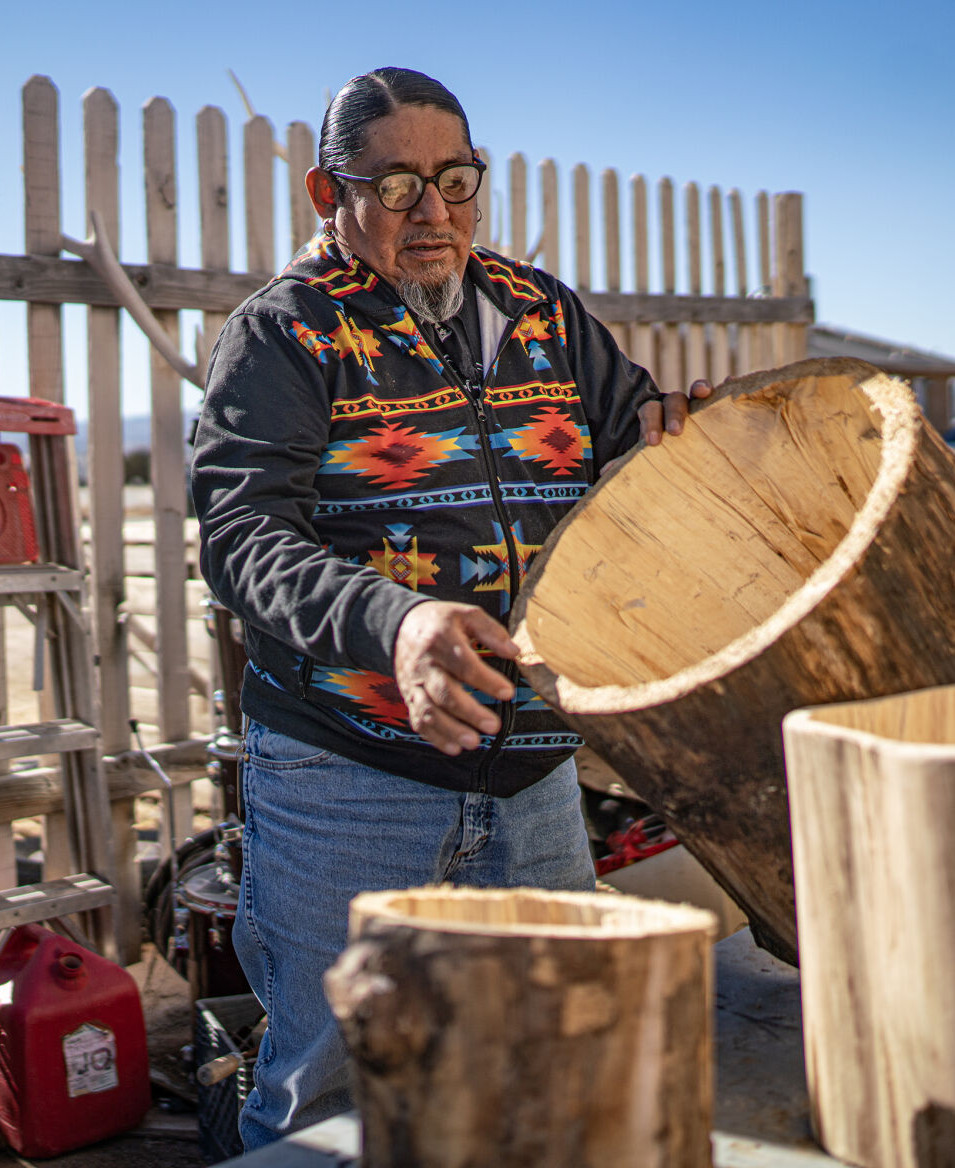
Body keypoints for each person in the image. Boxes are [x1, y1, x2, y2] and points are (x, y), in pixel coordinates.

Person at [188, 67, 711, 1150]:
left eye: (454, 179)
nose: (432, 214)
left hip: (534, 775)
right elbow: (243, 540)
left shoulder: (543, 313)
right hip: (346, 778)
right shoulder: (285, 335)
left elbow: (627, 454)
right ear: (324, 192)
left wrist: (679, 439)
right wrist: (396, 623)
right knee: (331, 1104)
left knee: (544, 1070)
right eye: (395, 185)